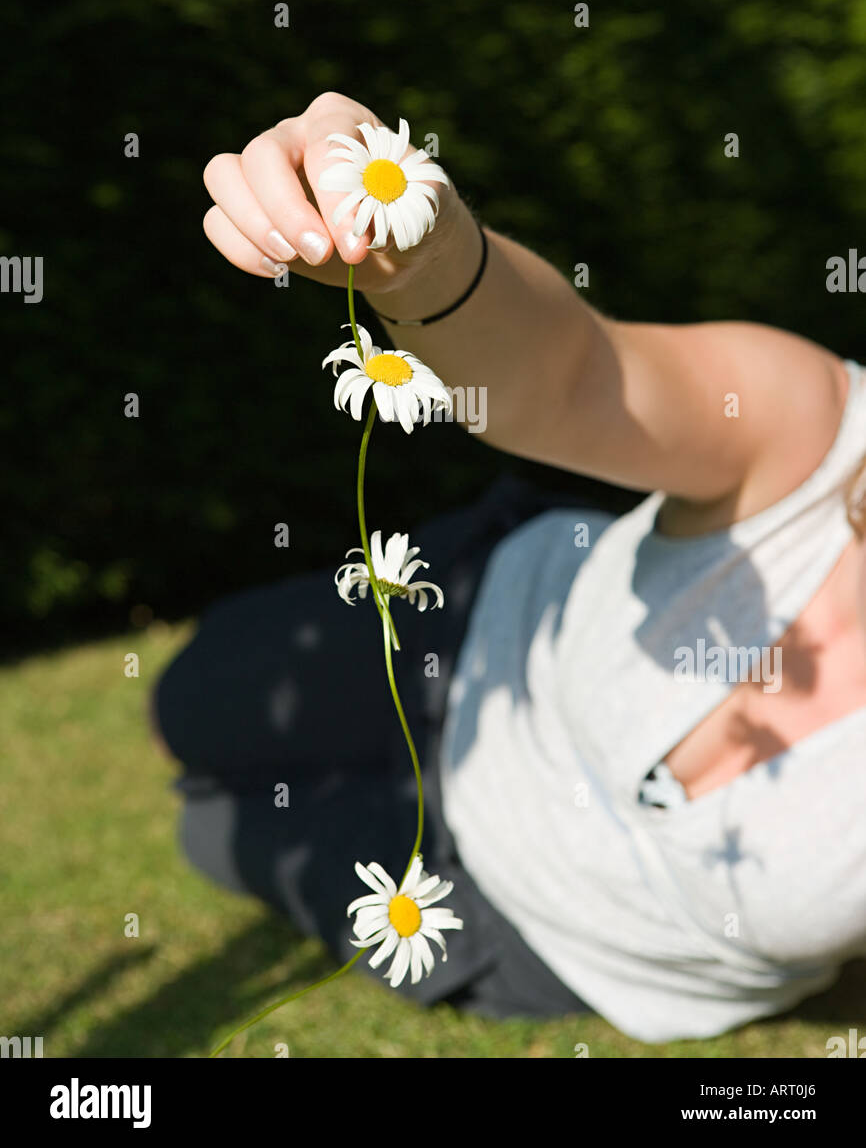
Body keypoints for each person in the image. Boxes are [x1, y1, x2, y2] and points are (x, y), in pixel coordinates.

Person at [151, 92, 866, 1043]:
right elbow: (574, 376)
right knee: (185, 703)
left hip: (512, 930)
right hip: (472, 633)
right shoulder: (816, 428)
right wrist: (424, 254)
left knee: (206, 833)